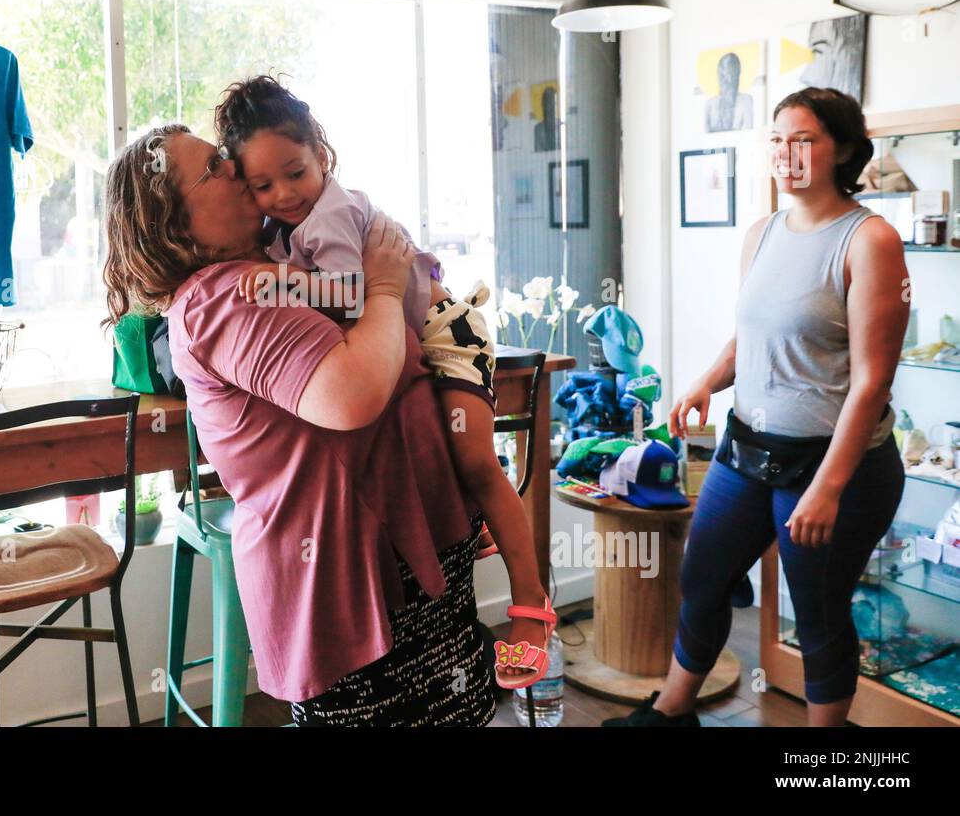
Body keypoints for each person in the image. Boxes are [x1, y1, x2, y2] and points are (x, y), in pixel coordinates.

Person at [102, 123, 498, 725]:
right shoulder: (224, 299)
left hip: (406, 562)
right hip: (350, 583)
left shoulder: (280, 260)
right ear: (173, 224)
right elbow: (353, 393)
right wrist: (387, 288)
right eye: (214, 168)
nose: (235, 167)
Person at [214, 76, 555, 688]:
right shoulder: (281, 230)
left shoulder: (332, 215)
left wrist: (280, 284)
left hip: (447, 332)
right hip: (411, 335)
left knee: (476, 462)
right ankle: (478, 534)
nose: (284, 193)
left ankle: (532, 607)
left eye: (295, 171)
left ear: (321, 152)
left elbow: (354, 290)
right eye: (262, 185)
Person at [605, 87, 908, 727]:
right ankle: (672, 711)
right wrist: (702, 384)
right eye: (777, 139)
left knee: (819, 613)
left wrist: (828, 488)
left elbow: (873, 382)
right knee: (702, 578)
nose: (785, 154)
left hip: (834, 469)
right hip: (746, 451)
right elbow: (752, 338)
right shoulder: (762, 233)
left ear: (843, 150)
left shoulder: (868, 241)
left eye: (804, 140)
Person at [704, 51, 755, 133]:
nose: (727, 78)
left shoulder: (746, 100)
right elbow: (704, 136)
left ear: (737, 73)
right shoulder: (710, 104)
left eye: (731, 71)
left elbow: (748, 132)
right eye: (723, 72)